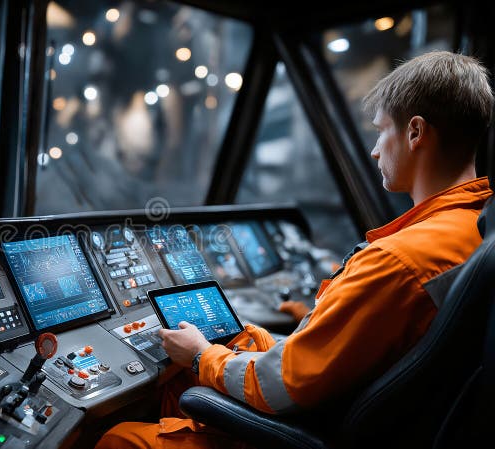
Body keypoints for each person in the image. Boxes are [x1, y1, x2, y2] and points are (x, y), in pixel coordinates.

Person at [95, 50, 494, 449]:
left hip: (316, 426)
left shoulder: (397, 261)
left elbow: (279, 386)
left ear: (415, 132)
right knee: (238, 342)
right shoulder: (473, 229)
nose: (374, 150)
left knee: (119, 438)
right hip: (376, 416)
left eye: (381, 131)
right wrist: (317, 319)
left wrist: (201, 355)